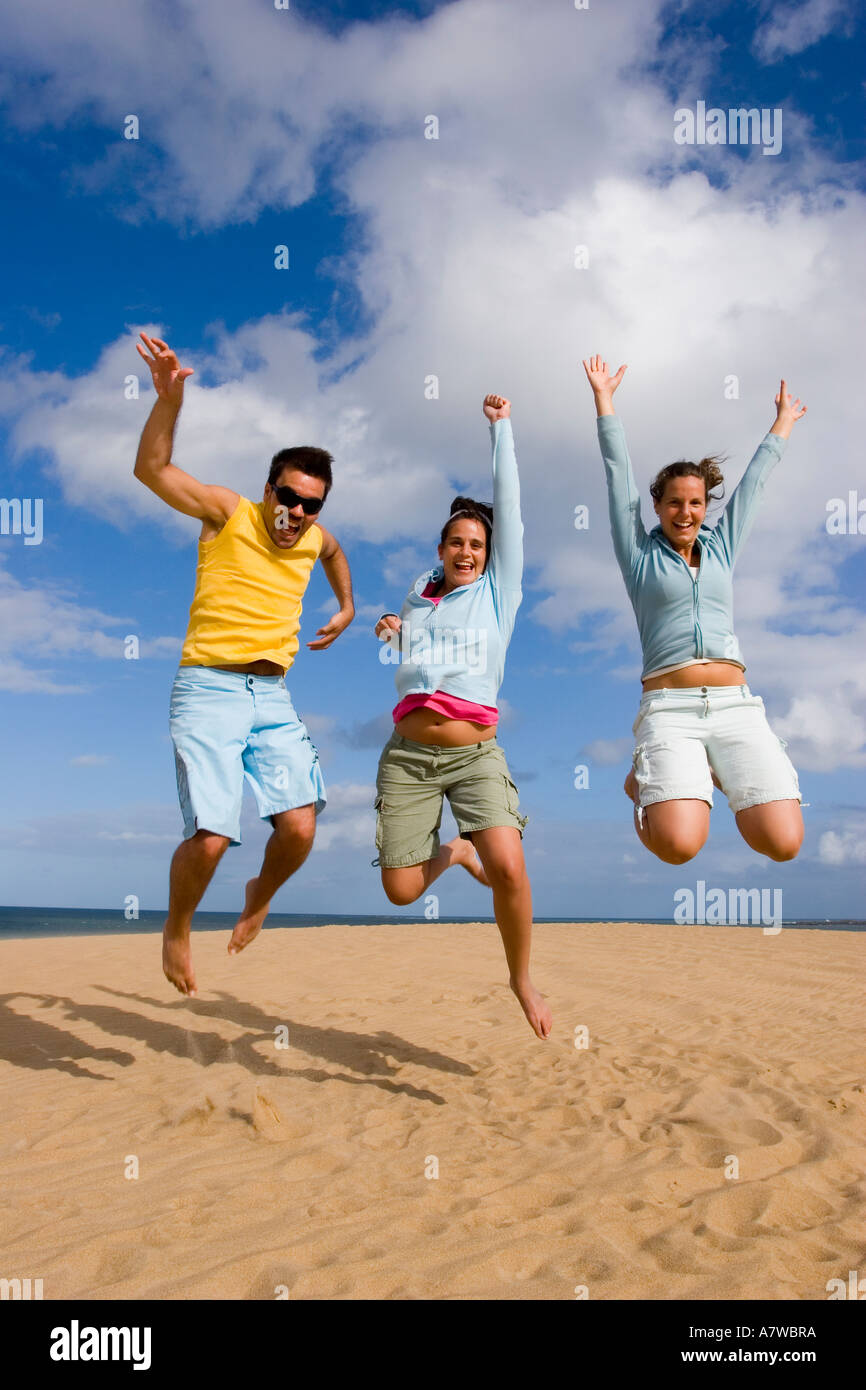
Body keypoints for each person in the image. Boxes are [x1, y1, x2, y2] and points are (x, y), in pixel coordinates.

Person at [134, 333, 354, 996]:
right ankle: (177, 925)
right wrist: (171, 401)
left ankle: (260, 894)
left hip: (273, 696)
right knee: (209, 837)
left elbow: (336, 553)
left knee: (300, 826)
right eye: (288, 497)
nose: (297, 514)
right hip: (207, 688)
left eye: (311, 504)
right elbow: (152, 471)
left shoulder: (315, 536)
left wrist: (346, 609)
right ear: (269, 487)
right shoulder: (229, 512)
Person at [373, 394, 551, 1040]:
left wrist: (501, 428)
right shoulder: (419, 594)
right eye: (458, 542)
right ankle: (452, 852)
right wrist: (391, 628)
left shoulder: (500, 592)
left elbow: (512, 510)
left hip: (477, 753)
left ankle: (520, 978)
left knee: (508, 865)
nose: (467, 551)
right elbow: (415, 654)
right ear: (442, 547)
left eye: (477, 544)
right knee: (398, 891)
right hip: (410, 753)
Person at [583, 353, 806, 865]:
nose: (686, 512)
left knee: (784, 843)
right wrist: (604, 400)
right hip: (670, 710)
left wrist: (782, 424)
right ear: (658, 506)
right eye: (675, 503)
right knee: (679, 847)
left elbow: (754, 486)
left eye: (697, 503)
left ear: (706, 506)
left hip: (736, 707)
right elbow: (618, 477)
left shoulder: (723, 547)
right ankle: (643, 786)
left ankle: (715, 770)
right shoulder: (639, 556)